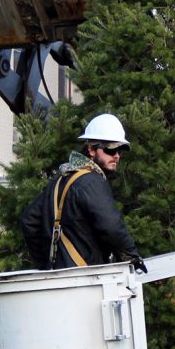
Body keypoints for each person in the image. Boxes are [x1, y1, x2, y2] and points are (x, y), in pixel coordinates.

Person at [21, 113, 146, 272]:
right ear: (91, 149)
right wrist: (131, 256)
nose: (116, 156)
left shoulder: (62, 178)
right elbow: (112, 227)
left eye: (120, 151)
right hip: (86, 279)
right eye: (111, 150)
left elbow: (29, 220)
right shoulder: (91, 181)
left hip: (58, 278)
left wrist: (45, 264)